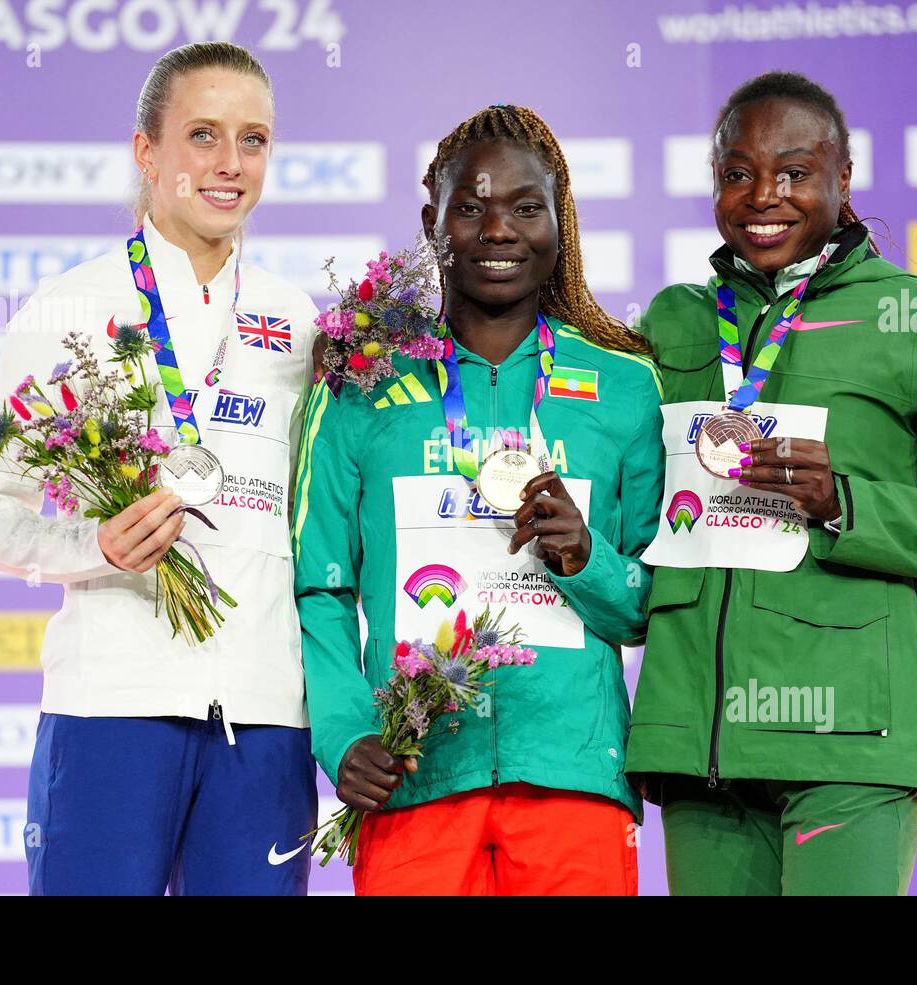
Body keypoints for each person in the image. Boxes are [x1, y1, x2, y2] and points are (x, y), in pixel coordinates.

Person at [625, 71, 917, 896]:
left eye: (795, 172)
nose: (763, 195)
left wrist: (845, 501)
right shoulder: (671, 323)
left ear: (844, 180)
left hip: (855, 739)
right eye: (737, 173)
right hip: (699, 742)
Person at [0, 41, 319, 896]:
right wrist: (98, 545)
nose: (231, 164)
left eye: (255, 139)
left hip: (265, 719)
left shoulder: (299, 321)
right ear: (146, 150)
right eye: (203, 135)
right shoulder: (70, 306)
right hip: (110, 708)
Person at [293, 105, 664, 896]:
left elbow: (653, 603)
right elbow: (319, 585)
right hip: (415, 775)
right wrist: (346, 732)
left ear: (559, 223)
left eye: (526, 208)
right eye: (471, 207)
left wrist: (585, 557)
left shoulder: (626, 389)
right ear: (433, 222)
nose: (499, 230)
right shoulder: (363, 385)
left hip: (573, 776)